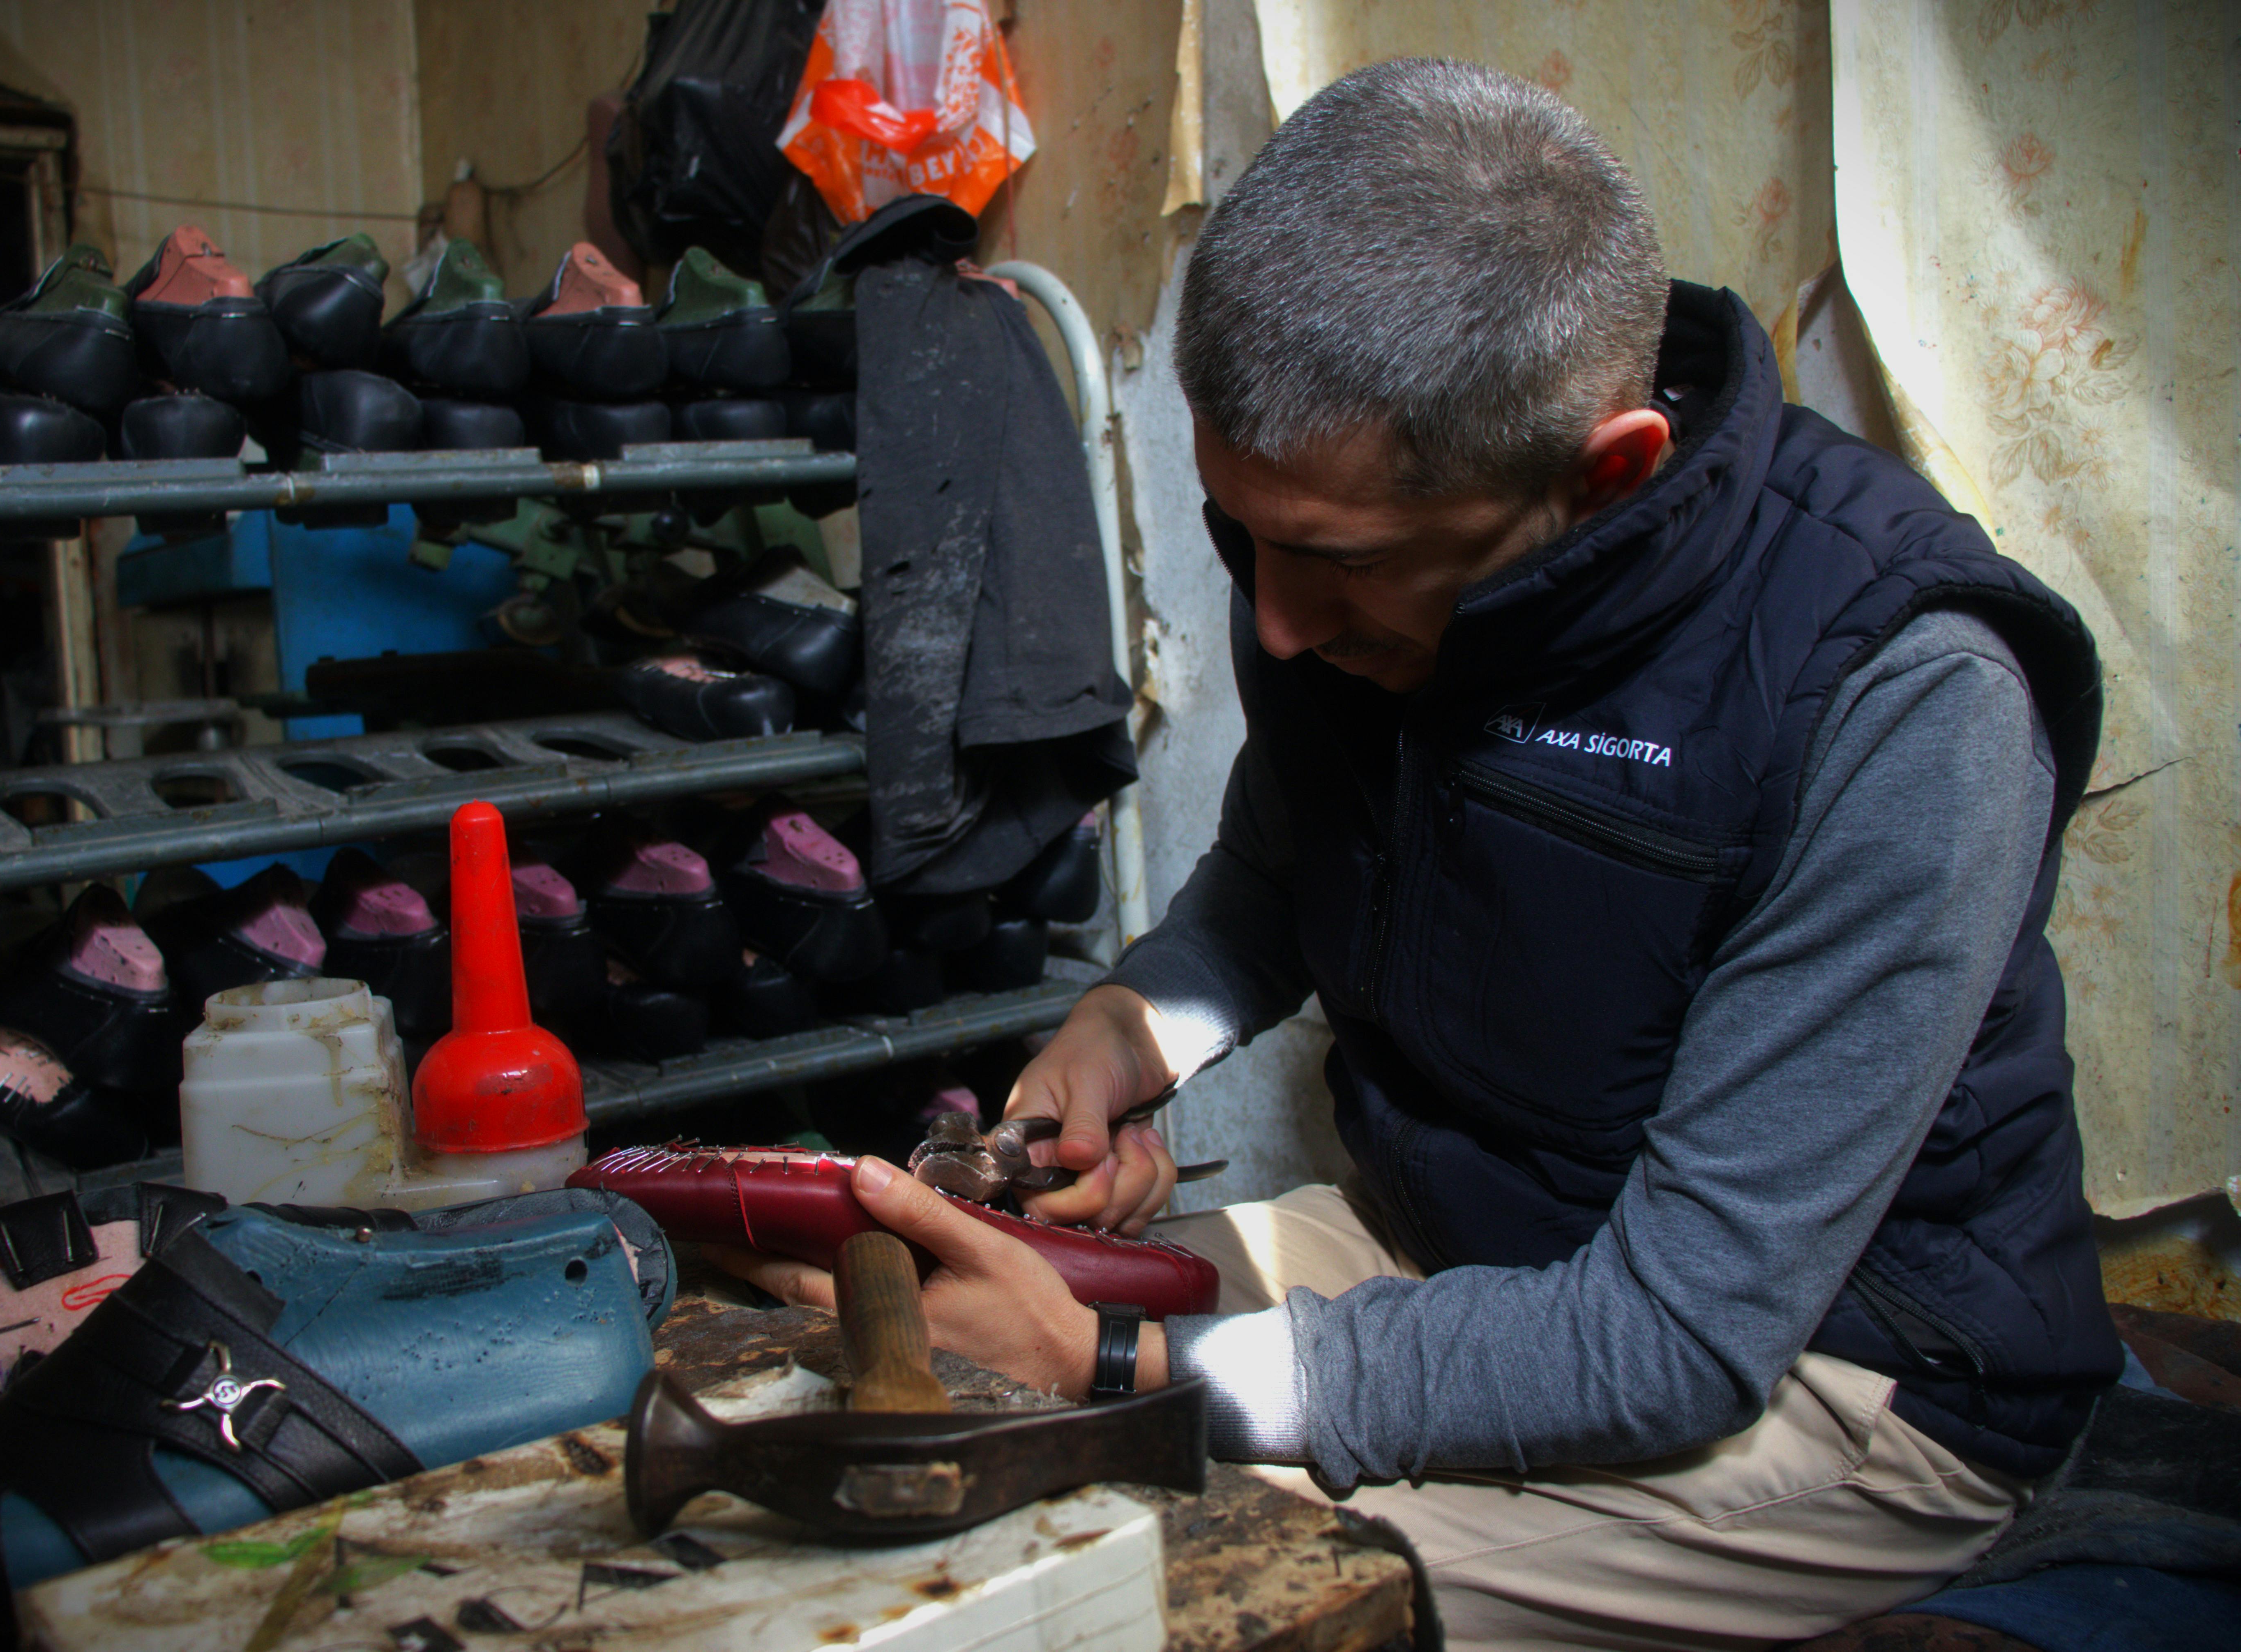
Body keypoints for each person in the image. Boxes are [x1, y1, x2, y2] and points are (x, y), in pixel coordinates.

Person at [717, 58, 2121, 1648]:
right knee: (888, 1362)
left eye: (1338, 565)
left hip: (1837, 1367)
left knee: (1091, 1601)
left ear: (1609, 471)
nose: (1272, 626)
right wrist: (1134, 1035)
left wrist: (1115, 1374)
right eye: (1240, 537)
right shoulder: (1333, 574)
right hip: (1454, 1248)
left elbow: (1674, 1333)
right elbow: (1270, 890)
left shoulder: (1901, 690)